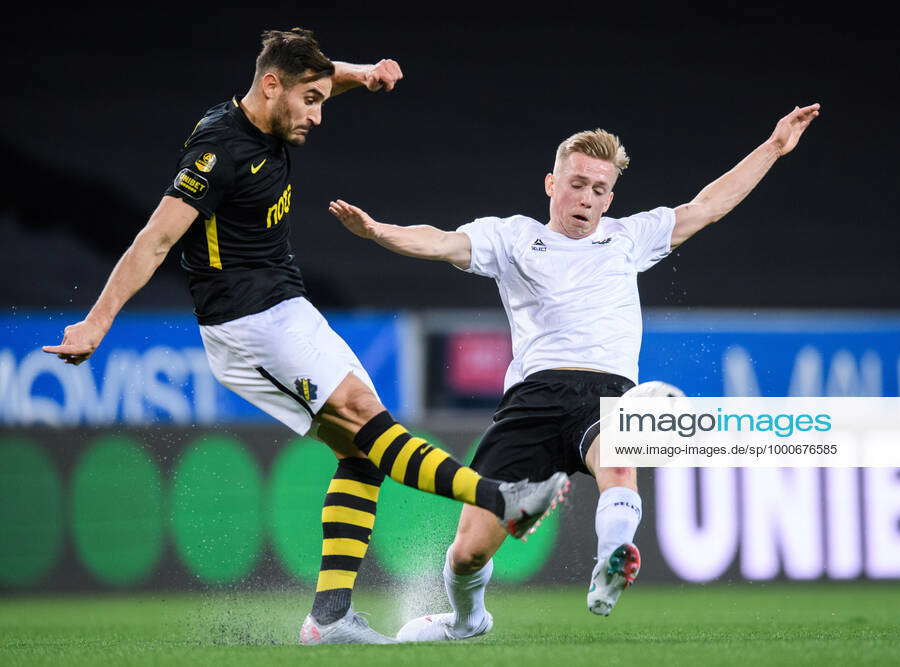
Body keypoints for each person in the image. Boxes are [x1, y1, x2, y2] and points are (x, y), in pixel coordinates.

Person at [42, 28, 569, 646]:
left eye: (323, 97)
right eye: (311, 100)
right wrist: (97, 323)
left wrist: (365, 73)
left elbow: (316, 74)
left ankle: (330, 618)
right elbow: (155, 240)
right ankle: (501, 499)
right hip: (245, 323)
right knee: (364, 415)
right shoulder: (217, 150)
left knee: (362, 451)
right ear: (272, 87)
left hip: (284, 306)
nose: (319, 114)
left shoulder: (274, 108)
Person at [328, 102, 821, 640]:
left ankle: (612, 558)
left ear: (611, 197)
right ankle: (468, 621)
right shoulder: (512, 237)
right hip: (531, 403)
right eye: (578, 183)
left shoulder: (630, 237)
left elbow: (707, 206)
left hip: (607, 391)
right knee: (469, 552)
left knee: (617, 458)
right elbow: (442, 241)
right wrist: (379, 233)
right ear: (551, 183)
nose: (587, 198)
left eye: (600, 189)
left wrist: (773, 146)